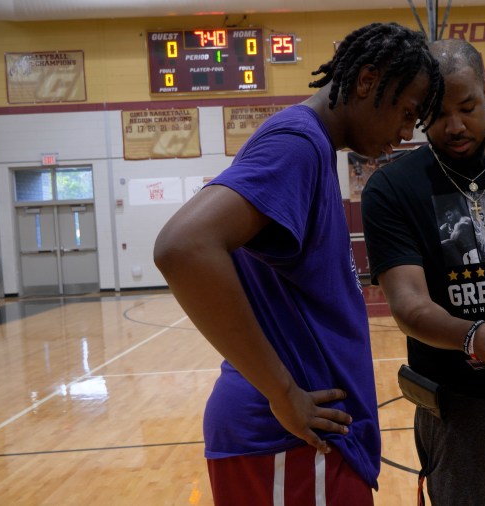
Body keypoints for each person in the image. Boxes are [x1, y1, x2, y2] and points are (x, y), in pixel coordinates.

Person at [153, 22, 443, 505]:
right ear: (367, 81)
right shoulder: (298, 144)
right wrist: (283, 392)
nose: (406, 132)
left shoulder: (311, 146)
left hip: (305, 445)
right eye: (407, 113)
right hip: (288, 445)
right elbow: (183, 247)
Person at [361, 38, 485, 505]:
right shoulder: (392, 189)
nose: (455, 126)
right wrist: (475, 336)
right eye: (437, 114)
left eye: (468, 107)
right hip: (461, 410)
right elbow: (409, 304)